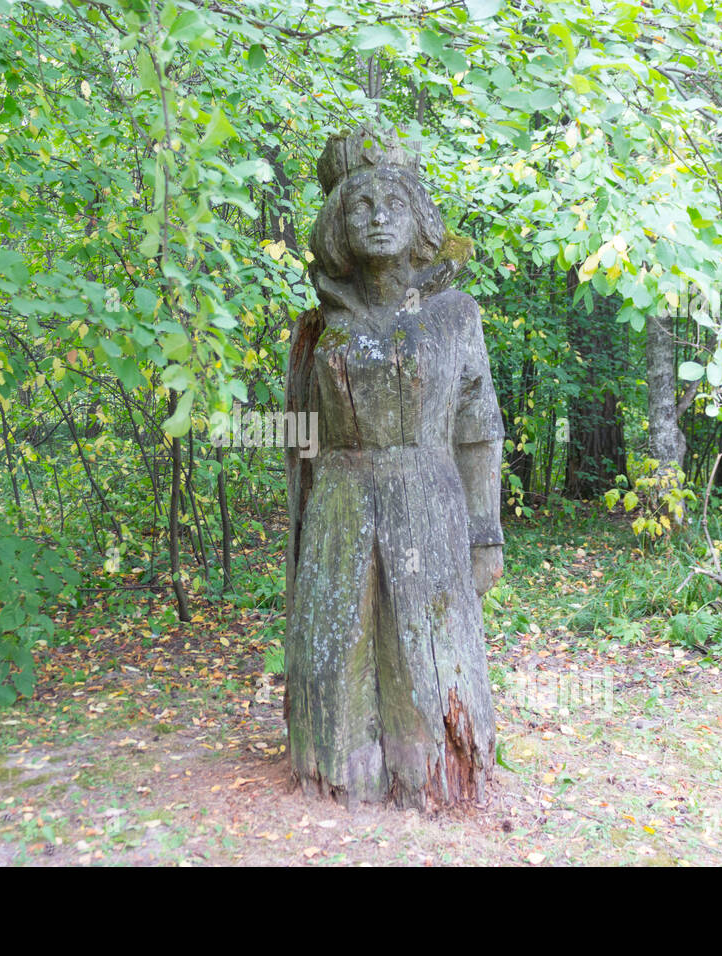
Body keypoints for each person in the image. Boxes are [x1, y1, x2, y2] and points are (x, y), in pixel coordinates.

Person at [283, 126, 504, 808]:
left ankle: (429, 772)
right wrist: (298, 533)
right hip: (340, 505)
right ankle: (338, 768)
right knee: (338, 646)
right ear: (337, 227)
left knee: (429, 650)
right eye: (359, 206)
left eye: (391, 204)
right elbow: (298, 438)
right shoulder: (321, 328)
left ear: (418, 221)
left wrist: (485, 529)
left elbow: (479, 427)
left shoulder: (455, 315)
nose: (376, 217)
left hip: (428, 499)